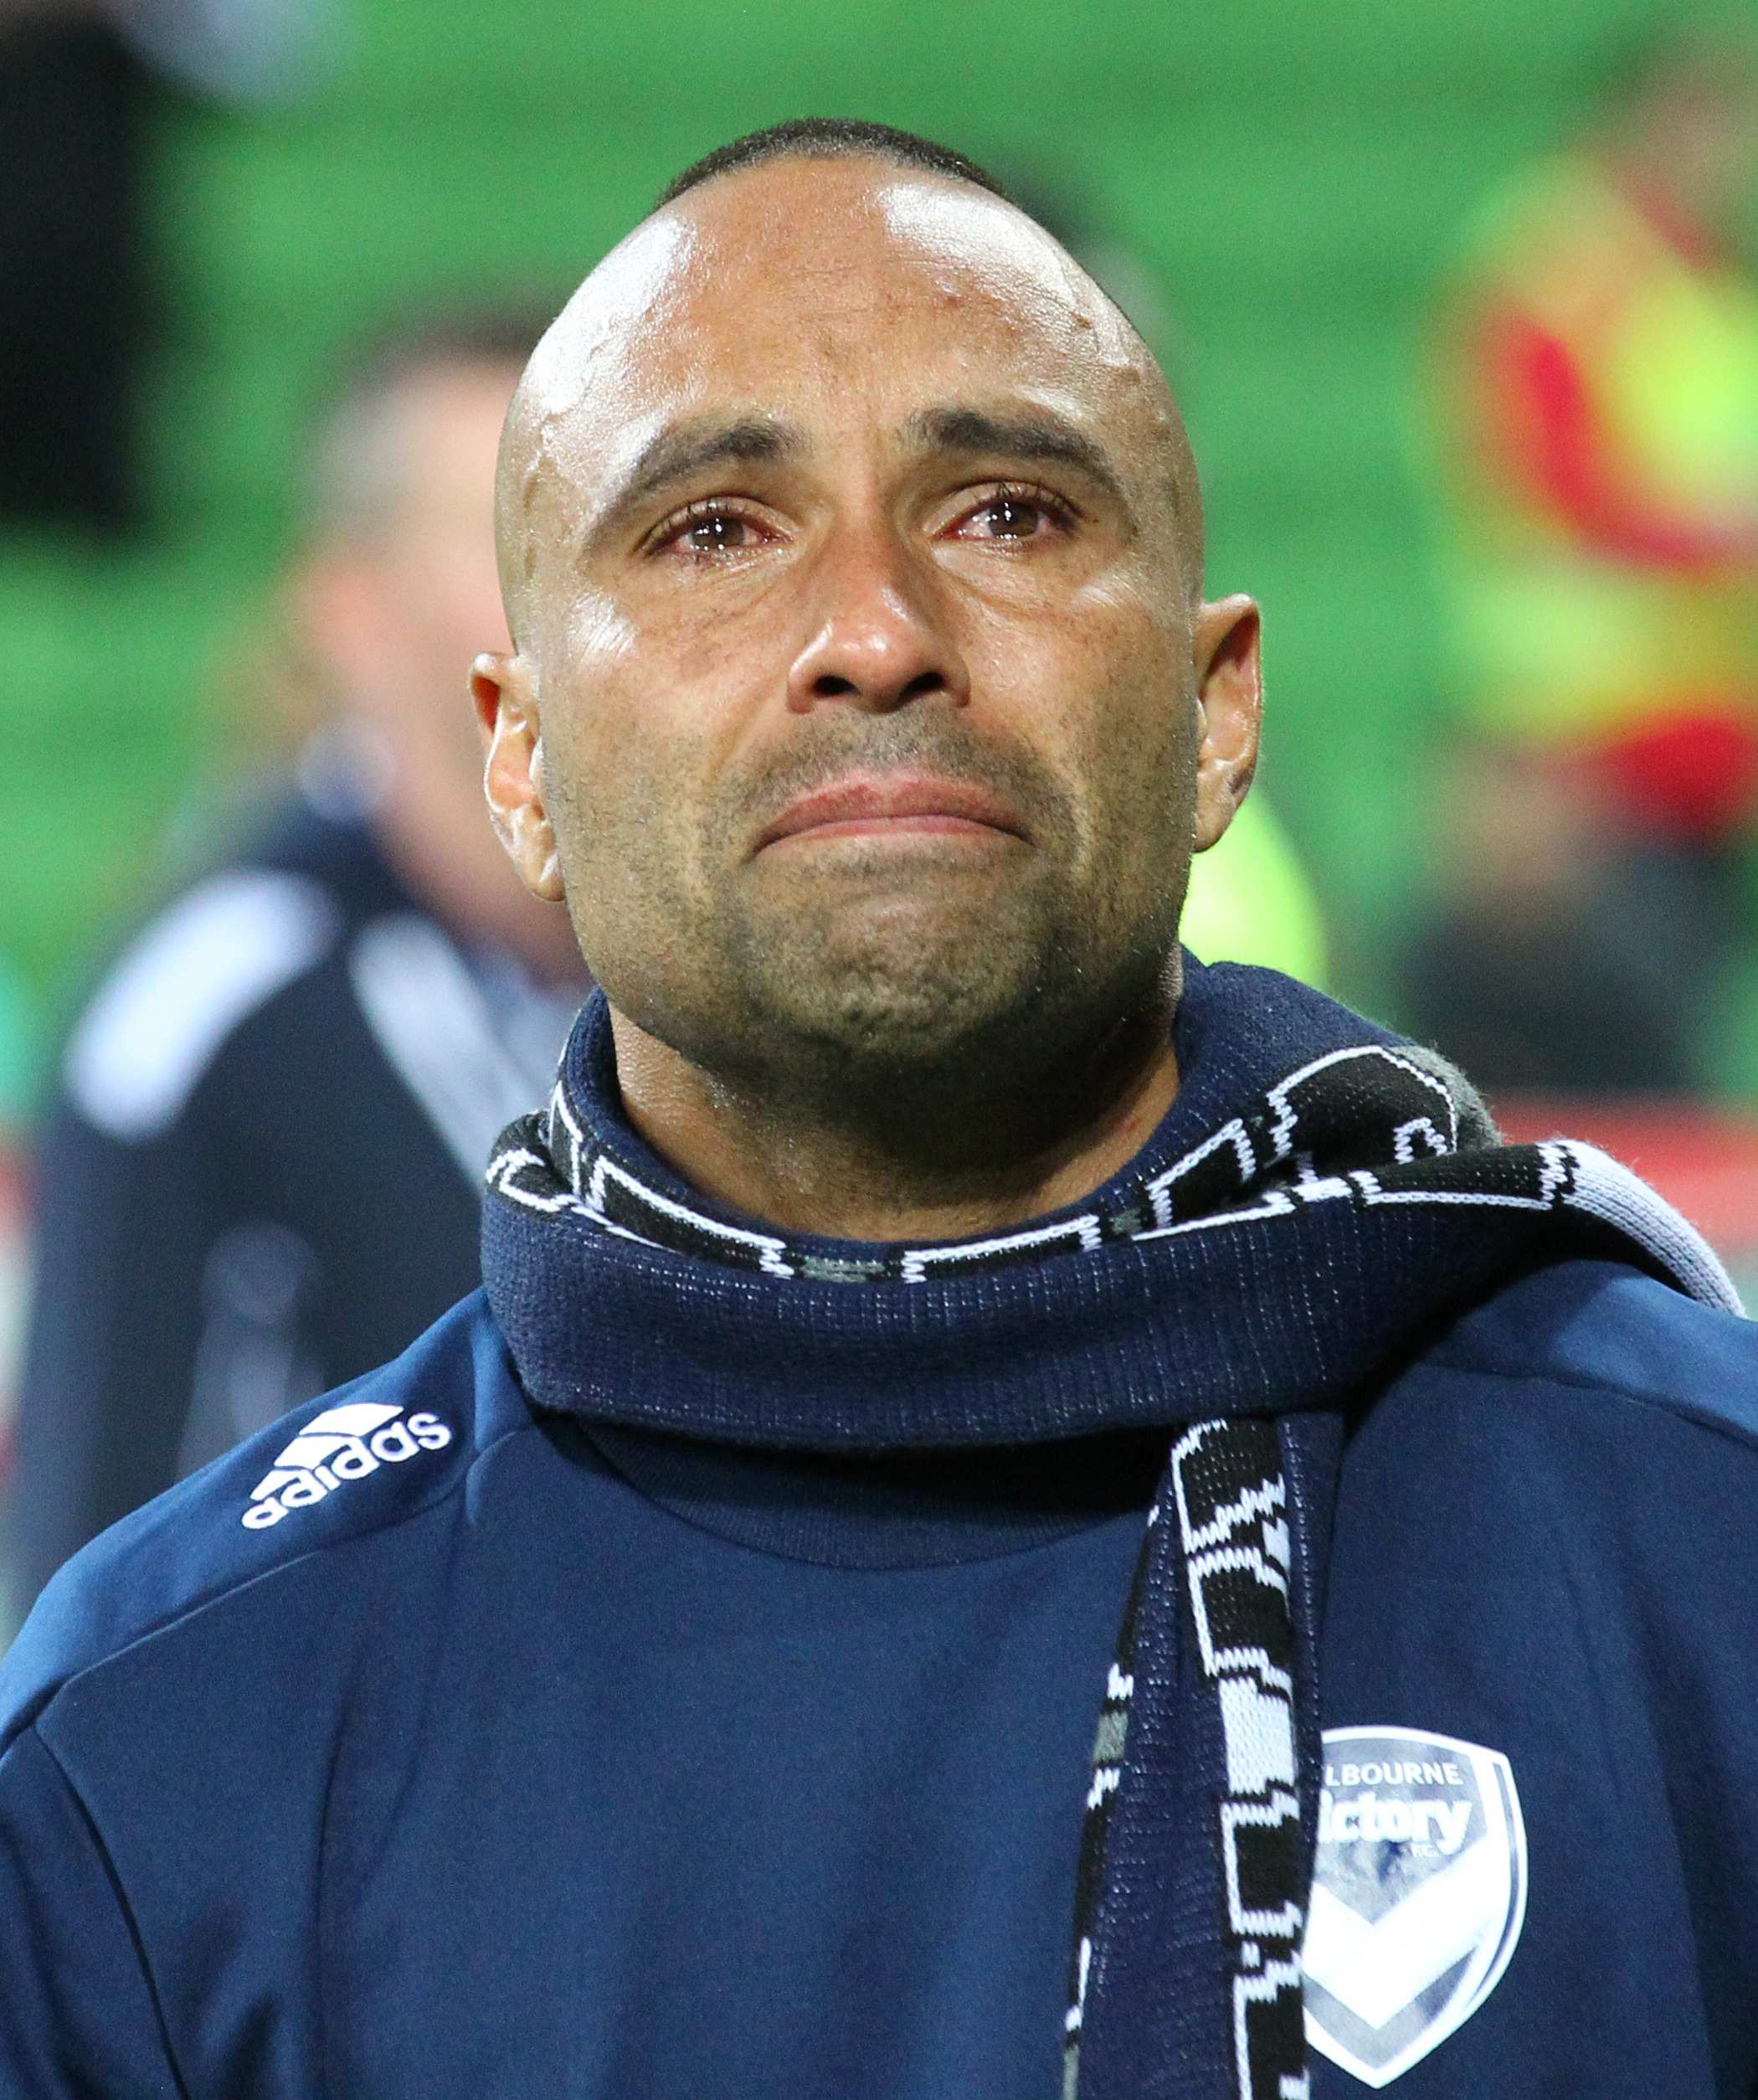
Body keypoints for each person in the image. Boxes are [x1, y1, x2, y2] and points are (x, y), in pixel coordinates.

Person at [2, 120, 1756, 2100]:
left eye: (1005, 513)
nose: (875, 632)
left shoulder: (1703, 1533)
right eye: (715, 532)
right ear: (518, 760)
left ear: (1220, 711)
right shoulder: (161, 1743)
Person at [3, 311, 585, 1616]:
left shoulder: (724, 975)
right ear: (353, 609)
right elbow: (94, 1597)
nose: (584, 584)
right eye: (513, 534)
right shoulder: (215, 1012)